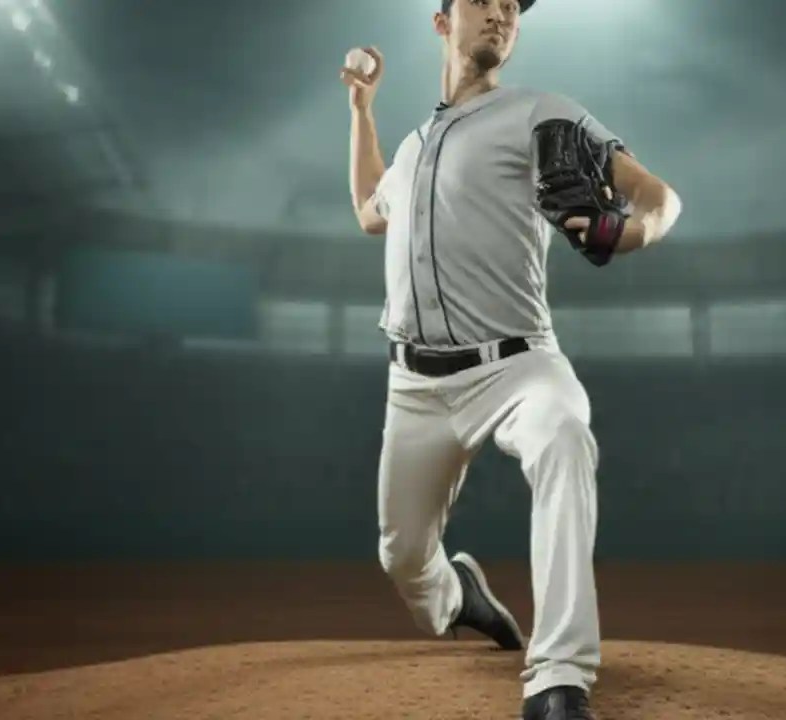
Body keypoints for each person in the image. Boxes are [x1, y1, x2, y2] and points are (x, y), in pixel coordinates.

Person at [339, 0, 682, 717]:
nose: (499, 14)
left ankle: (559, 676)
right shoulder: (410, 149)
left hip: (518, 367)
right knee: (402, 558)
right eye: (482, 1)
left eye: (510, 7)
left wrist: (635, 231)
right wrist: (362, 111)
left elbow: (658, 196)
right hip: (415, 386)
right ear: (441, 22)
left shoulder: (540, 114)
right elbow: (370, 211)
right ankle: (460, 595)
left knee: (563, 433)